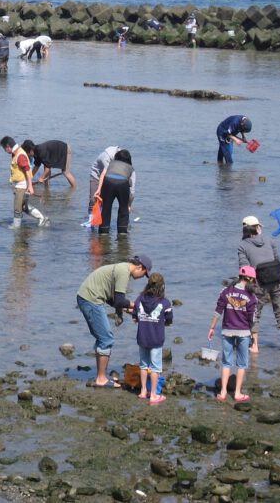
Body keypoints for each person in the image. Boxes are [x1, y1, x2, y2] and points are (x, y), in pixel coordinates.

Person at [76, 255, 152, 388]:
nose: (142, 278)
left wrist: (126, 310)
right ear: (140, 267)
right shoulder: (124, 272)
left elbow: (112, 298)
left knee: (103, 338)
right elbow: (119, 301)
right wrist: (138, 305)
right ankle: (101, 379)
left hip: (88, 297)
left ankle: (101, 376)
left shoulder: (121, 268)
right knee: (106, 339)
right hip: (91, 300)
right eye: (144, 274)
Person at [238, 216, 280, 354]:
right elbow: (278, 259)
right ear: (257, 228)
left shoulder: (242, 246)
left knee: (254, 314)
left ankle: (255, 346)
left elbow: (245, 268)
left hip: (259, 283)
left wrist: (245, 286)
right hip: (276, 279)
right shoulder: (269, 240)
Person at [208, 266, 257, 403]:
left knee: (226, 362)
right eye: (253, 279)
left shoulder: (226, 291)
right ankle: (237, 393)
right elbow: (251, 319)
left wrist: (212, 328)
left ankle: (223, 392)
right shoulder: (251, 297)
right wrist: (253, 336)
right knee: (242, 363)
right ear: (249, 278)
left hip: (227, 331)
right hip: (244, 333)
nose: (254, 282)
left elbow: (218, 312)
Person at [132, 272, 172, 404]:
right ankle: (154, 395)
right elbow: (169, 320)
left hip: (142, 337)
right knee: (155, 367)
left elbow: (135, 317)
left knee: (143, 365)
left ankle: (143, 391)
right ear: (162, 287)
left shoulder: (139, 300)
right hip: (156, 339)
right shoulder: (165, 303)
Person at [0, 136, 48, 228]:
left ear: (8, 146)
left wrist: (30, 186)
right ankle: (42, 218)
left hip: (22, 186)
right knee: (24, 207)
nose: (5, 151)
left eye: (5, 149)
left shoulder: (19, 155)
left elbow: (27, 170)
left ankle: (16, 227)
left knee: (17, 207)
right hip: (21, 185)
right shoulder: (16, 152)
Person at [94, 149, 135, 235]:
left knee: (106, 208)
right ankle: (122, 233)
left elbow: (103, 175)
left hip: (108, 182)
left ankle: (103, 233)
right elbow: (132, 190)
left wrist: (99, 190)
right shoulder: (131, 168)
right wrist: (129, 205)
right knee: (123, 208)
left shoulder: (111, 163)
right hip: (123, 184)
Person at [87, 146, 136, 217]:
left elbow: (131, 186)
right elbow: (104, 174)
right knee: (93, 199)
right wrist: (99, 189)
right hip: (97, 175)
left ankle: (101, 217)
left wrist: (129, 203)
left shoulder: (123, 155)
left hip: (110, 178)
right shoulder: (107, 158)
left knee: (105, 200)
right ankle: (91, 218)